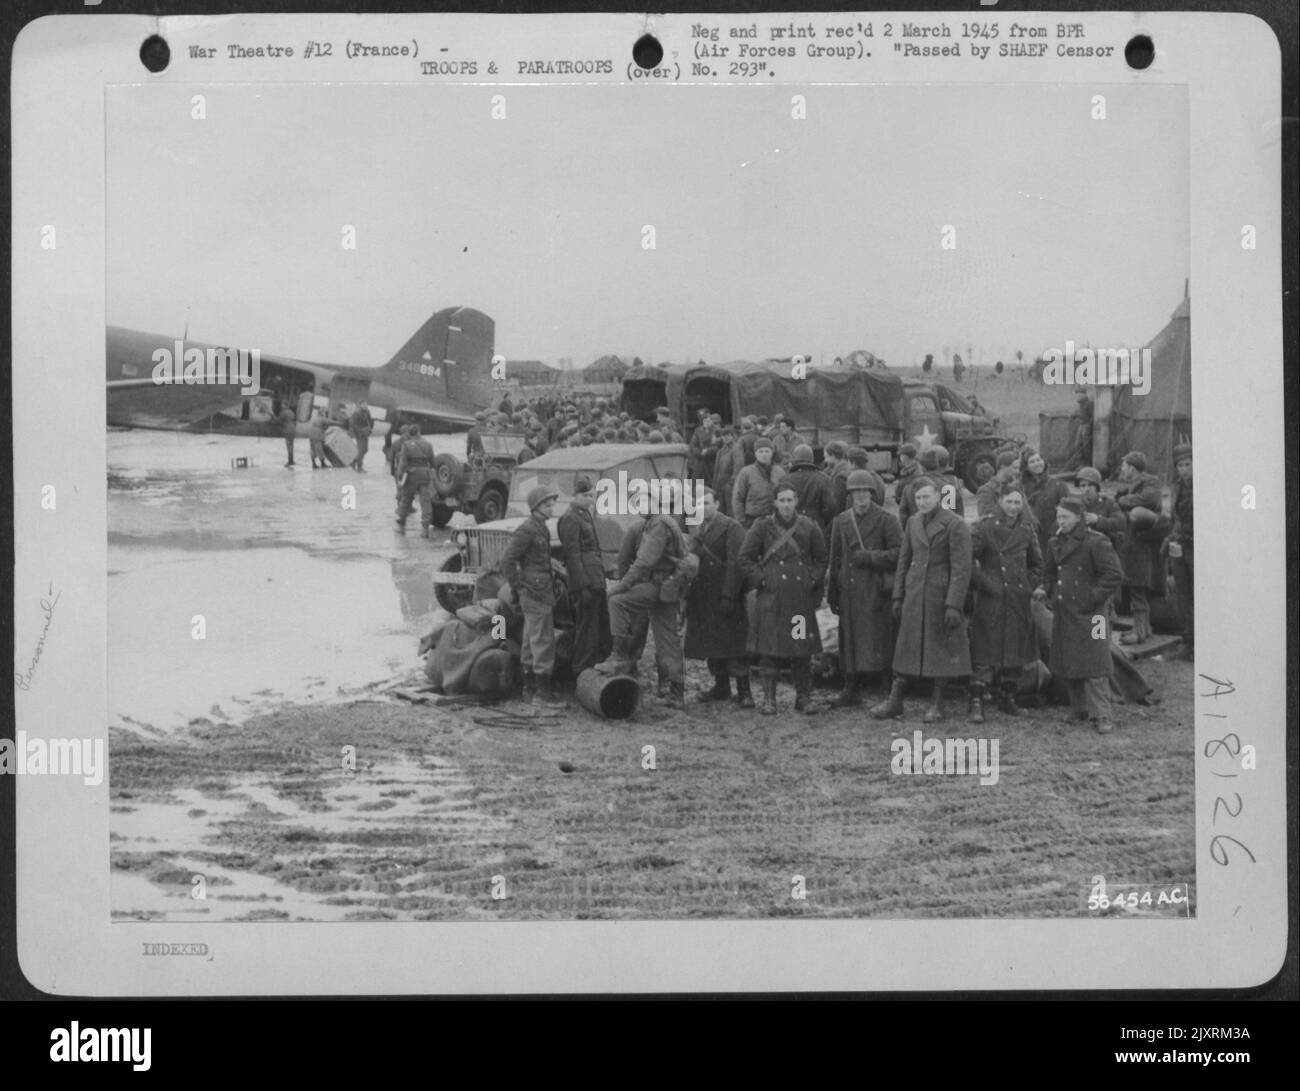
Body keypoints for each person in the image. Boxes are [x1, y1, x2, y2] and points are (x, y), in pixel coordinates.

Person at [871, 478, 972, 723]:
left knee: (939, 650)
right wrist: (898, 595)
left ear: (938, 496)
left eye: (926, 497)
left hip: (940, 595)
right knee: (907, 646)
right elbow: (904, 560)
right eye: (917, 498)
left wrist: (954, 604)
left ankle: (937, 703)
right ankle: (896, 701)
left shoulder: (954, 524)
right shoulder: (913, 522)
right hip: (915, 594)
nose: (922, 502)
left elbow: (961, 568)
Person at [1034, 496, 1124, 734]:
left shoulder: (1096, 541)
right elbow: (1049, 573)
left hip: (1094, 614)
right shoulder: (1055, 543)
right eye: (1058, 516)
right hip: (1065, 610)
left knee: (1096, 662)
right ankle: (1079, 709)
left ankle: (1103, 715)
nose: (1060, 521)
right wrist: (1053, 595)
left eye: (1065, 516)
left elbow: (1113, 574)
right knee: (1068, 660)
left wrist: (1093, 597)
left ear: (1079, 518)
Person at [739, 483, 827, 714]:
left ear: (796, 501)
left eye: (790, 500)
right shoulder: (762, 527)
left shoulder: (808, 526)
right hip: (771, 600)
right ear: (775, 502)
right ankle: (769, 699)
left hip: (798, 601)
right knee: (770, 650)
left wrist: (811, 580)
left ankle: (803, 698)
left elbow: (821, 559)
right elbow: (745, 558)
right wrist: (762, 580)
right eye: (782, 500)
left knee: (800, 650)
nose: (786, 505)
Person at [596, 501, 689, 710]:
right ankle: (676, 692)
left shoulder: (658, 525)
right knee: (668, 640)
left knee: (616, 601)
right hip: (667, 588)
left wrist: (621, 586)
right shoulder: (663, 523)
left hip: (657, 585)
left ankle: (618, 654)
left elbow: (643, 561)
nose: (640, 506)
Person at [826, 470, 902, 707]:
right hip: (849, 589)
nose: (860, 497)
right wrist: (833, 594)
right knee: (849, 639)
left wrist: (870, 557)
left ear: (873, 494)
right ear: (849, 495)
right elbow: (835, 558)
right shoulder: (841, 521)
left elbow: (899, 554)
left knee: (881, 638)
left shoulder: (887, 520)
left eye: (865, 492)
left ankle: (886, 687)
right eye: (856, 492)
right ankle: (851, 687)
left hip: (876, 590)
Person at [968, 484, 1043, 720]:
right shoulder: (984, 527)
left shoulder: (1026, 529)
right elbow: (966, 560)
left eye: (1017, 502)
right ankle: (977, 700)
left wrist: (1026, 585)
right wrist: (985, 583)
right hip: (991, 598)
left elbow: (1038, 564)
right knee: (985, 647)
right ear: (1000, 501)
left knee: (1014, 648)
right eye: (1008, 502)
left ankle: (1008, 698)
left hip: (1017, 600)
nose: (1012, 507)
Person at [684, 488, 752, 707]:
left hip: (725, 594)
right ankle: (721, 686)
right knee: (711, 644)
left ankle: (745, 692)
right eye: (699, 504)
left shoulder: (732, 527)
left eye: (706, 503)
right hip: (704, 596)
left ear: (718, 504)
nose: (702, 507)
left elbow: (737, 563)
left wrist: (729, 595)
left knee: (734, 645)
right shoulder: (699, 528)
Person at [501, 486, 563, 704]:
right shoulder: (527, 530)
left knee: (530, 639)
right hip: (535, 593)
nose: (552, 508)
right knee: (543, 640)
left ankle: (529, 690)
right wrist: (518, 587)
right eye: (547, 505)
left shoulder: (541, 528)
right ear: (536, 508)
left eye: (552, 504)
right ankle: (542, 694)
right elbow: (507, 560)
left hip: (539, 589)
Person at [557, 476, 612, 677]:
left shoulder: (584, 514)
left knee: (598, 625)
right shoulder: (571, 517)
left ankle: (596, 663)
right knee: (586, 629)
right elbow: (572, 555)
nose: (590, 499)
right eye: (586, 495)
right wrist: (583, 586)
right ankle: (580, 669)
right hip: (585, 581)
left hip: (595, 577)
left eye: (591, 494)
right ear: (576, 495)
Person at [1114, 451, 1166, 645]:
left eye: (1124, 466)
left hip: (1143, 545)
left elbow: (1148, 501)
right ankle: (1144, 629)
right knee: (1137, 587)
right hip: (1135, 544)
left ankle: (1139, 631)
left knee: (1138, 587)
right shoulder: (1133, 486)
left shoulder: (1150, 482)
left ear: (1132, 468)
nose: (1122, 469)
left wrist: (1123, 501)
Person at [1164, 444, 1193, 659]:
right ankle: (1188, 642)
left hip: (1196, 547)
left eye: (1188, 464)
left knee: (1198, 595)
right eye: (1180, 465)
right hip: (1178, 546)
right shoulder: (1176, 487)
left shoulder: (1205, 487)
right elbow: (1175, 518)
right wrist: (1170, 537)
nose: (1184, 469)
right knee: (1182, 596)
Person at [731, 434, 787, 529]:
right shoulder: (746, 472)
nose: (764, 454)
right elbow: (737, 498)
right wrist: (742, 521)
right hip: (752, 521)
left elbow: (785, 495)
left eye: (767, 451)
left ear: (772, 452)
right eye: (760, 451)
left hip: (775, 521)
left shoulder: (780, 472)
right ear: (755, 453)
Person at [783, 444, 837, 541]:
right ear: (812, 459)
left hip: (790, 528)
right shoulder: (822, 478)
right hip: (816, 527)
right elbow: (831, 507)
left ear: (794, 460)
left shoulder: (785, 479)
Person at [1020, 449, 1065, 557]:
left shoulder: (1058, 484)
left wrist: (1056, 528)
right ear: (1026, 466)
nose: (1037, 463)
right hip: (1030, 537)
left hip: (1053, 535)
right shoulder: (1021, 487)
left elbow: (1068, 509)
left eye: (1038, 460)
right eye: (1032, 461)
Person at [395, 422, 436, 537]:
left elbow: (403, 463)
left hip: (411, 475)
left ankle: (402, 526)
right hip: (424, 475)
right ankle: (425, 529)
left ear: (409, 433)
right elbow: (433, 463)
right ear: (419, 432)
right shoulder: (428, 444)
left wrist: (399, 475)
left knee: (406, 499)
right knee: (425, 501)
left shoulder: (406, 445)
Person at [1074, 466, 1125, 554]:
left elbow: (1121, 522)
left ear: (1097, 487)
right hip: (1081, 549)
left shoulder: (1108, 502)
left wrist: (1098, 520)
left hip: (1105, 548)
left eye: (1090, 485)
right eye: (1083, 485)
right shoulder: (1075, 504)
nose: (1086, 489)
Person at [975, 451, 1020, 518]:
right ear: (1003, 467)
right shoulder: (986, 491)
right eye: (1015, 468)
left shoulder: (1017, 488)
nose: (1018, 471)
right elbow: (986, 520)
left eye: (1019, 468)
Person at [1068, 391, 1094, 471]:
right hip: (1081, 425)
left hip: (1086, 425)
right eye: (1077, 394)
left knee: (1086, 446)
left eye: (1079, 394)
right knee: (1078, 445)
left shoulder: (1089, 403)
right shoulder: (1080, 404)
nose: (1077, 396)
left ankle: (1088, 464)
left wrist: (1089, 426)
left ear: (1084, 394)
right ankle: (1081, 464)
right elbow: (1078, 413)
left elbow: (1092, 416)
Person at [892, 442, 921, 513]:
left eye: (901, 455)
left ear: (905, 457)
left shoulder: (915, 474)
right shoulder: (907, 470)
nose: (900, 457)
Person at [349, 400, 373, 471]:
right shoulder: (356, 413)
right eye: (364, 404)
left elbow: (370, 421)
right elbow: (352, 424)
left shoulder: (367, 412)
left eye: (366, 404)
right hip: (359, 434)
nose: (366, 406)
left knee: (365, 449)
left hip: (365, 433)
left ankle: (354, 461)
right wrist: (359, 431)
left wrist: (369, 429)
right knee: (361, 450)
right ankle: (359, 467)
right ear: (360, 405)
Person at [278, 404, 297, 468]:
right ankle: (291, 460)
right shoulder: (291, 412)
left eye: (283, 405)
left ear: (285, 405)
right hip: (293, 428)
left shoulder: (284, 412)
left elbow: (278, 420)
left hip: (287, 429)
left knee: (288, 445)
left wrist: (271, 414)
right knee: (291, 445)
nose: (281, 406)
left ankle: (290, 461)